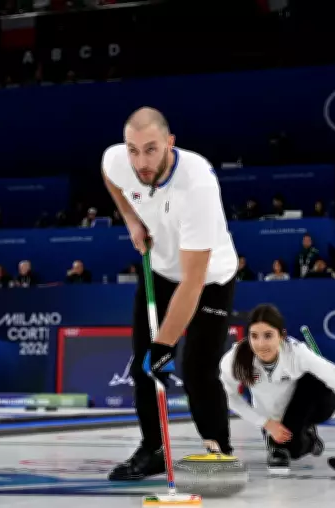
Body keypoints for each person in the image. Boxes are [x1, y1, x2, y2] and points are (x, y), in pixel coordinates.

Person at [102, 107, 239, 481]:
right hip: (160, 270)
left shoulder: (197, 186)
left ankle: (220, 453)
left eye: (150, 149)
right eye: (133, 150)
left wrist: (164, 345)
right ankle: (153, 449)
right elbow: (110, 176)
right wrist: (132, 221)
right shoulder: (118, 161)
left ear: (169, 144)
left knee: (195, 368)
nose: (140, 161)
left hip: (209, 278)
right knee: (144, 365)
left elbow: (193, 282)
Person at [219, 304, 335, 474]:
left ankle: (305, 426)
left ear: (281, 335)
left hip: (306, 403)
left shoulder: (296, 353)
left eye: (268, 336)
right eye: (254, 336)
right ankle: (309, 440)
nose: (261, 344)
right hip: (272, 418)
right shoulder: (236, 359)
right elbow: (227, 395)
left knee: (316, 379)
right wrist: (265, 423)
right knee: (294, 450)